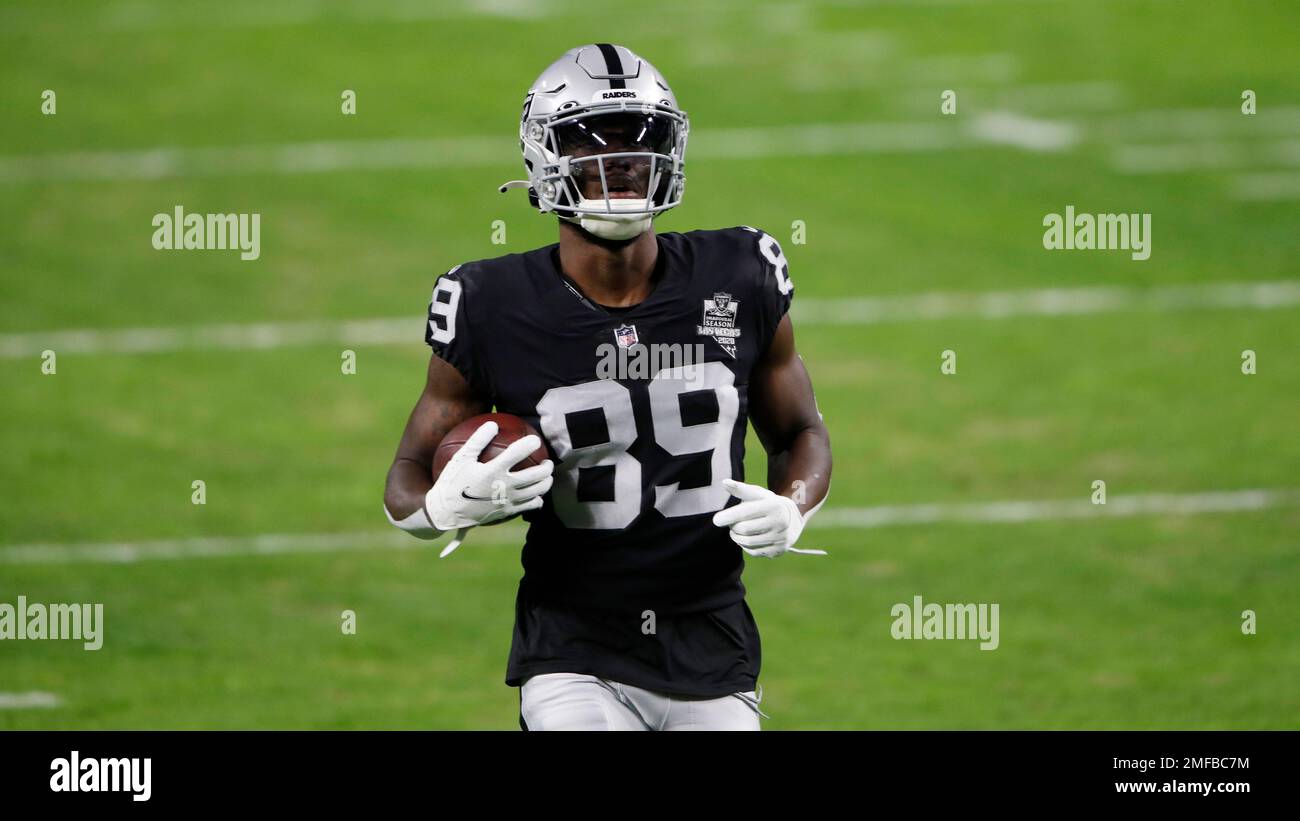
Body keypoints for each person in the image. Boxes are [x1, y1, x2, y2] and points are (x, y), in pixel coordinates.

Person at [383, 44, 831, 730]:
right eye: (591, 140)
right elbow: (405, 481)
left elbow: (801, 431)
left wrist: (794, 504)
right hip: (572, 644)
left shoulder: (740, 274)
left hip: (713, 637)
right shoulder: (490, 302)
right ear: (542, 156)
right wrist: (441, 507)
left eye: (638, 138)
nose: (619, 160)